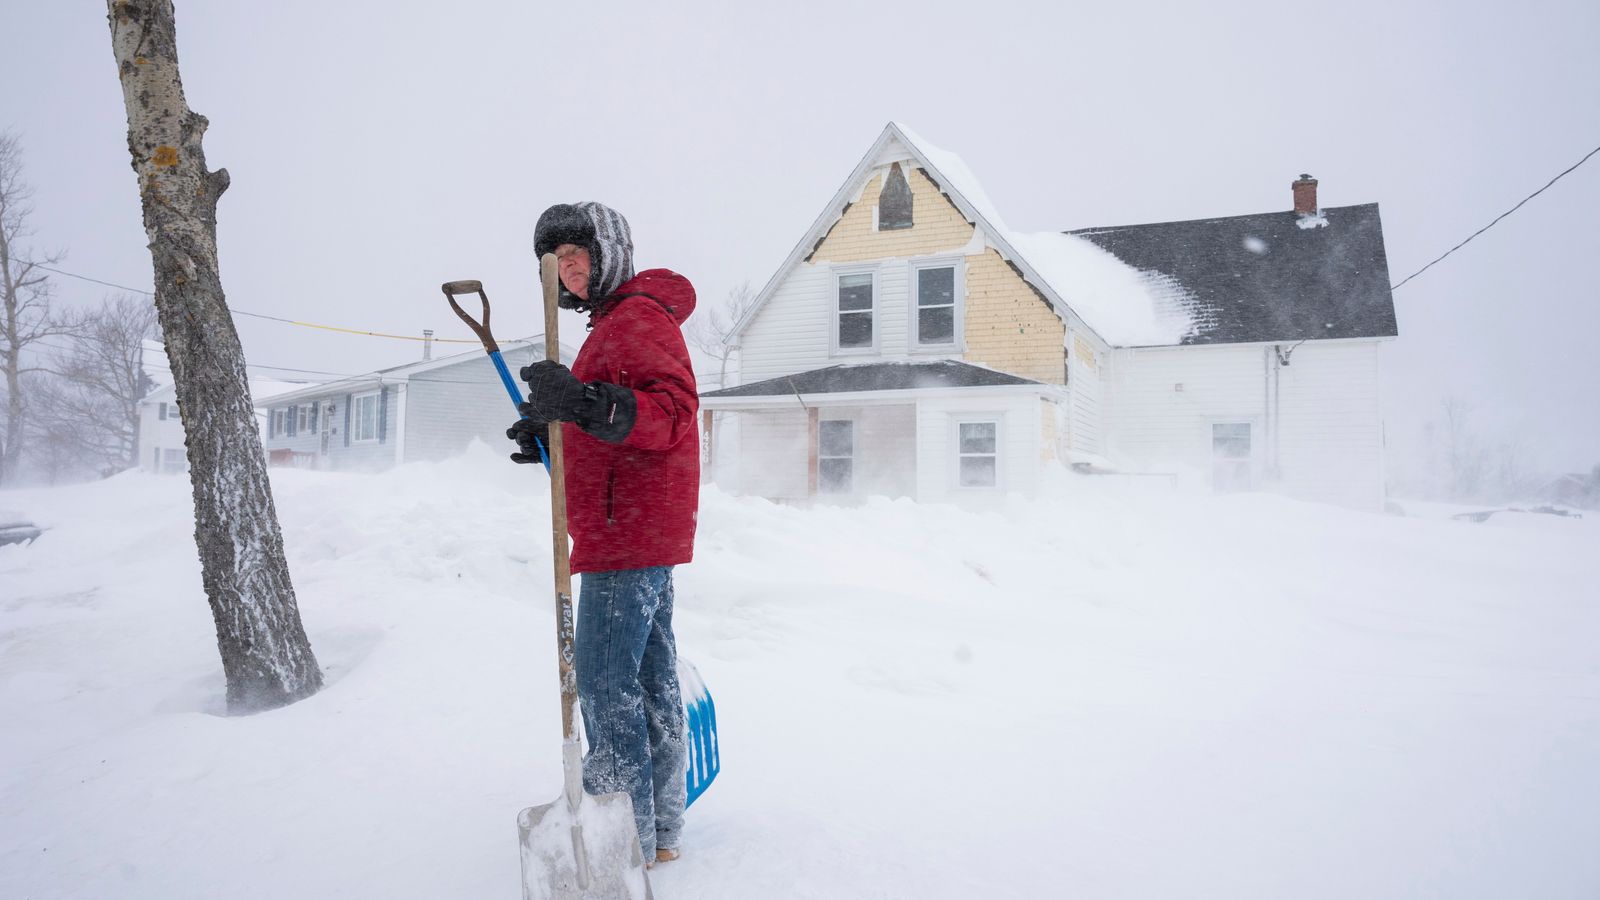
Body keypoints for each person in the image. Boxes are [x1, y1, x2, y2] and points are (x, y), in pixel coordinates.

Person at [507, 201, 699, 866]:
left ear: (608, 252)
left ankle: (623, 843)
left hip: (629, 530)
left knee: (603, 683)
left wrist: (585, 403)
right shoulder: (613, 326)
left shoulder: (637, 318)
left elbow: (672, 416)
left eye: (578, 255)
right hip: (634, 525)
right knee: (648, 681)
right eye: (558, 263)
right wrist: (550, 437)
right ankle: (660, 832)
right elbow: (608, 434)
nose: (569, 271)